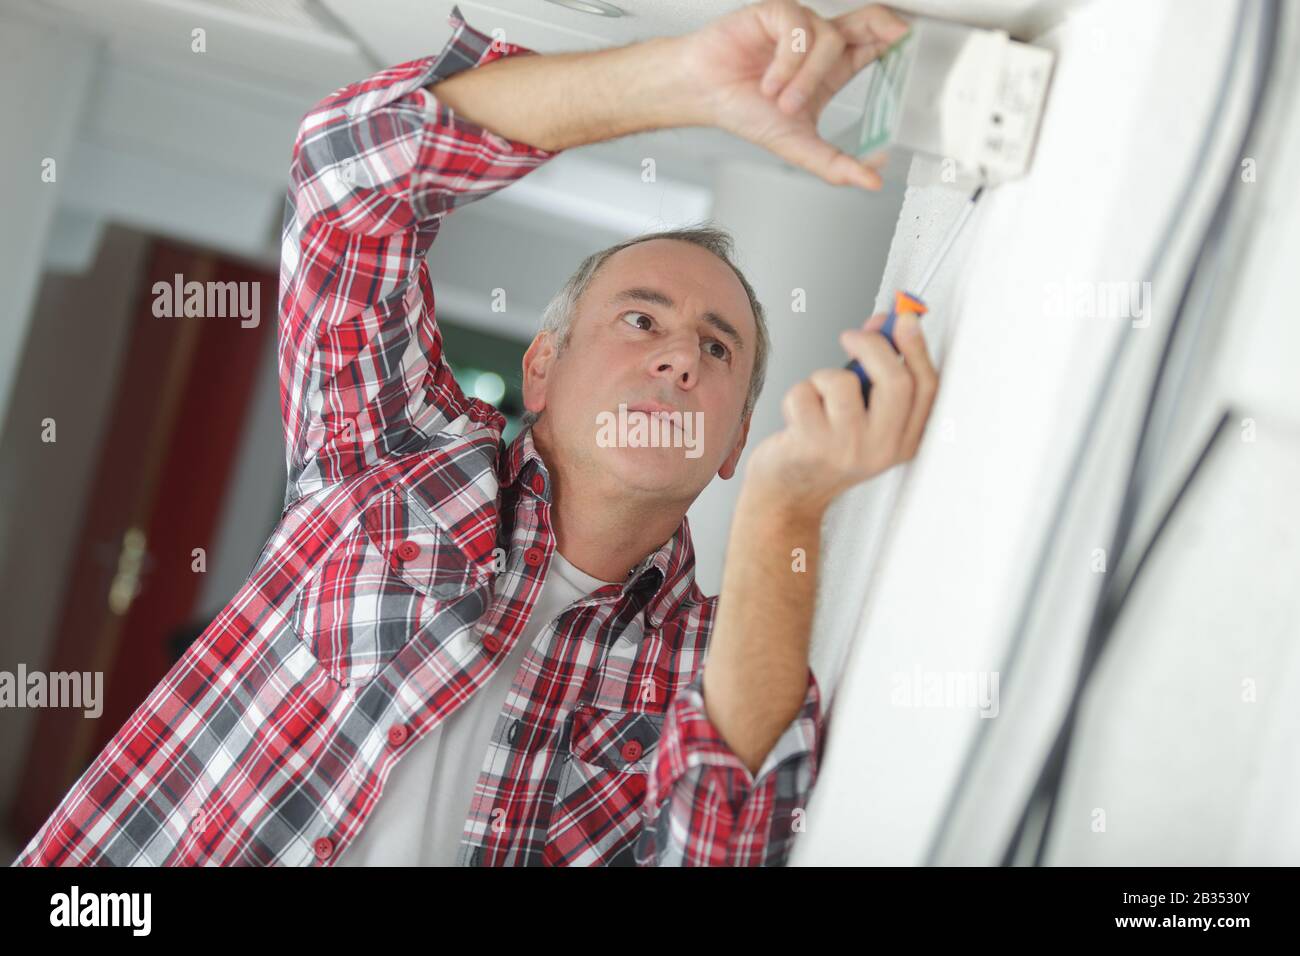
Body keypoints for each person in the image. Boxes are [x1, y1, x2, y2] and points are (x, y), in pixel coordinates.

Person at [15, 0, 936, 867]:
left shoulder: (708, 666)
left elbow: (727, 841)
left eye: (716, 348)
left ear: (733, 442)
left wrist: (786, 505)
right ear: (541, 365)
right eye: (641, 321)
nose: (679, 361)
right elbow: (347, 176)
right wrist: (679, 84)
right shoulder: (390, 452)